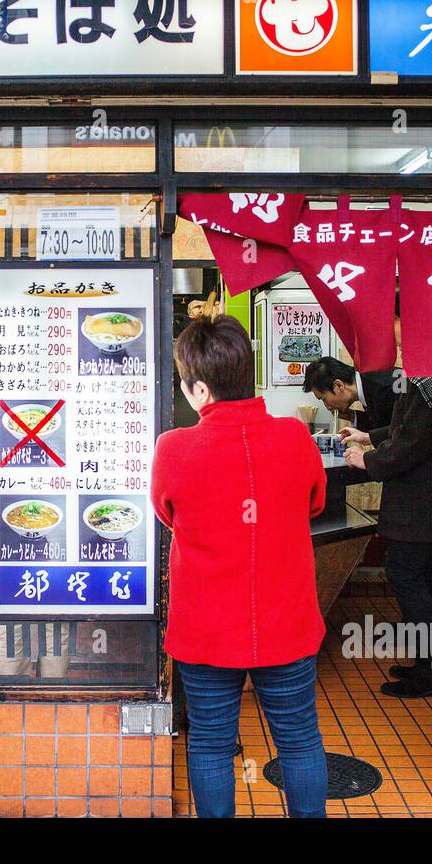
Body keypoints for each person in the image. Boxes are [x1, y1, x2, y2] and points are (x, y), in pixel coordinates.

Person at [151, 315, 329, 818]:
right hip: (287, 619)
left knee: (209, 743)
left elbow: (166, 513)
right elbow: (314, 504)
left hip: (206, 626)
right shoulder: (296, 438)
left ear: (199, 388)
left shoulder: (174, 447)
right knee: (298, 739)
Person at [342, 374, 432, 699]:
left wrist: (369, 459)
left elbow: (411, 442)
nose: (400, 345)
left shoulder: (425, 382)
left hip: (420, 505)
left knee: (405, 574)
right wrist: (370, 435)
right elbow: (413, 427)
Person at [303, 356, 401, 434]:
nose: (327, 407)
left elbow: (401, 432)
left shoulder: (387, 387)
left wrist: (365, 457)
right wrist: (351, 416)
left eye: (324, 399)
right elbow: (384, 424)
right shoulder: (368, 383)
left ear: (338, 385)